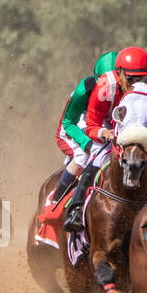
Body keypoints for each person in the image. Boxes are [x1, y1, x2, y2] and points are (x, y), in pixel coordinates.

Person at [63, 46, 147, 232]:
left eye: (143, 78)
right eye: (131, 79)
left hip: (142, 135)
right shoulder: (106, 85)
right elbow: (91, 124)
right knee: (95, 157)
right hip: (109, 128)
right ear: (119, 73)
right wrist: (107, 134)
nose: (138, 83)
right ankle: (77, 209)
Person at [43, 51, 117, 217]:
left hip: (98, 126)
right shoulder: (84, 91)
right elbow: (68, 124)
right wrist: (87, 143)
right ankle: (56, 200)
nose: (112, 88)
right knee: (84, 155)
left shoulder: (127, 89)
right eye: (106, 83)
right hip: (72, 129)